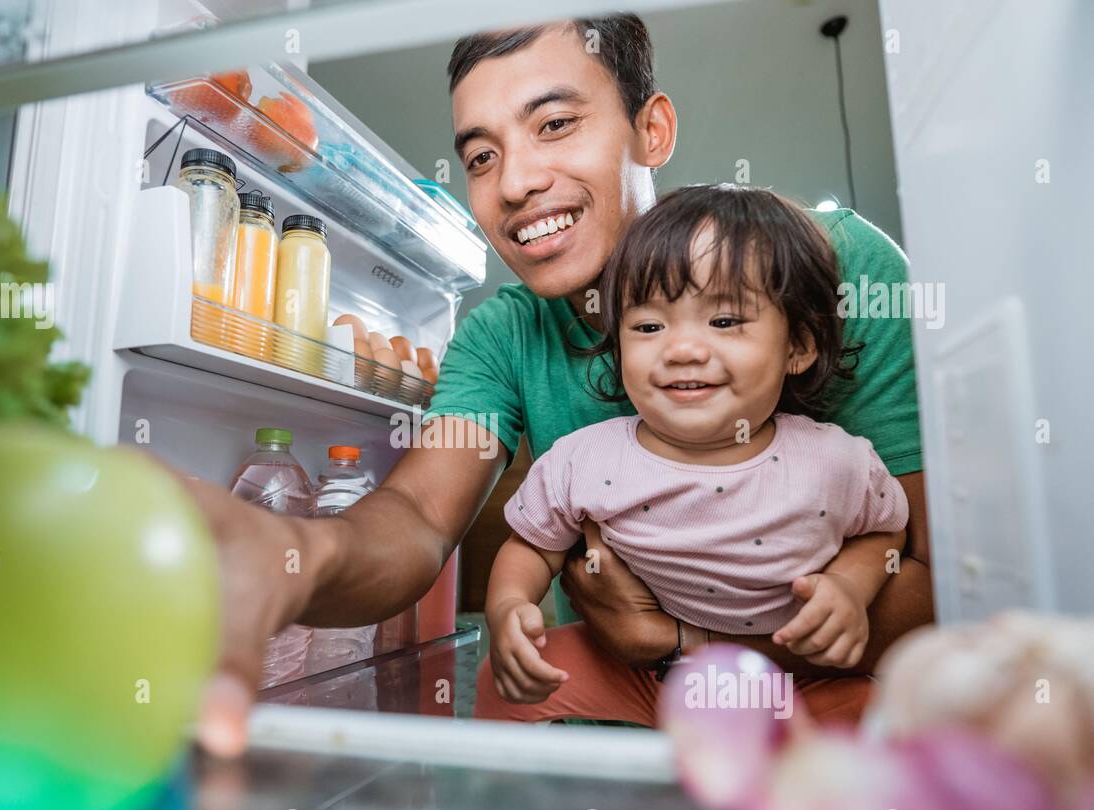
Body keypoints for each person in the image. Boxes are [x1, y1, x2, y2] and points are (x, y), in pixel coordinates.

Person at [189, 15, 933, 754]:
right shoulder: (501, 335)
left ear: (653, 131)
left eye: (554, 123)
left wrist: (675, 636)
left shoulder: (834, 270)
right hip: (601, 744)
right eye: (481, 157)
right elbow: (417, 513)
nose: (514, 183)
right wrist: (298, 554)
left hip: (822, 752)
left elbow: (934, 588)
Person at [483, 183, 909, 723]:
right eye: (649, 326)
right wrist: (508, 607)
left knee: (884, 716)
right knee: (502, 683)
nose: (681, 350)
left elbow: (884, 531)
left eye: (725, 322)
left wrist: (850, 586)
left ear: (798, 346)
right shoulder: (584, 460)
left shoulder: (836, 461)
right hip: (640, 675)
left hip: (795, 683)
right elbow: (532, 546)